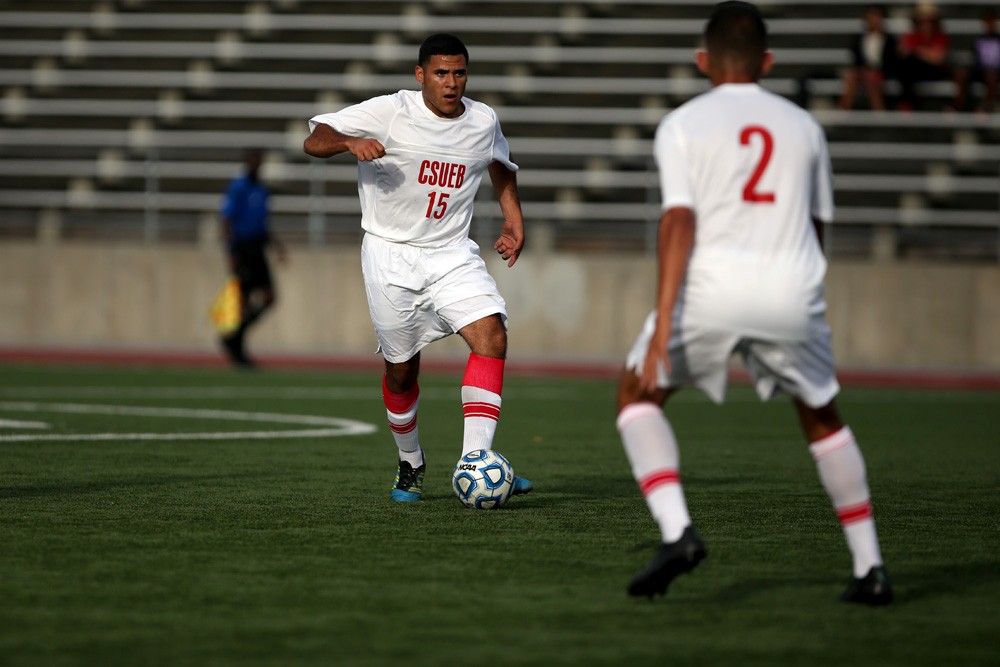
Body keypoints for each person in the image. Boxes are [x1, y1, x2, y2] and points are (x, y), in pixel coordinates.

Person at [615, 1, 892, 605]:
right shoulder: (806, 127)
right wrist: (809, 297)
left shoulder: (683, 124)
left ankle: (677, 533)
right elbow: (818, 226)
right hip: (792, 289)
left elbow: (679, 221)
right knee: (822, 416)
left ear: (702, 61)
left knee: (637, 395)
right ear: (767, 61)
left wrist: (663, 320)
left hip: (710, 288)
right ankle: (870, 567)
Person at [302, 33, 532, 503]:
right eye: (441, 73)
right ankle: (410, 461)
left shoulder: (484, 119)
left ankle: (477, 461)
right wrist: (350, 142)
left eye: (460, 73)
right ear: (421, 74)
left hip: (451, 252)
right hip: (391, 255)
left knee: (493, 335)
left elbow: (501, 165)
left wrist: (514, 218)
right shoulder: (390, 110)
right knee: (401, 372)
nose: (451, 83)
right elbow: (313, 139)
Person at [219, 148, 287, 368]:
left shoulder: (262, 190)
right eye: (254, 161)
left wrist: (276, 246)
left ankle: (233, 338)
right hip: (243, 248)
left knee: (269, 297)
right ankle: (237, 348)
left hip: (258, 248)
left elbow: (262, 224)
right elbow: (227, 220)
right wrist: (231, 252)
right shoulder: (239, 187)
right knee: (244, 300)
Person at [838, 4, 897, 111]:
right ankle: (843, 111)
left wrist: (876, 70)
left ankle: (879, 111)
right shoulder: (859, 38)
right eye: (870, 16)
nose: (873, 19)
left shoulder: (889, 40)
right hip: (863, 71)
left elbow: (891, 61)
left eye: (876, 16)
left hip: (881, 72)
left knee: (871, 78)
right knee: (852, 77)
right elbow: (856, 58)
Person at [896, 2, 950, 111]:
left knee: (910, 63)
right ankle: (907, 103)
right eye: (923, 20)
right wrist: (924, 53)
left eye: (929, 20)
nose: (926, 24)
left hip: (934, 72)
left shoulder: (940, 36)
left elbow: (938, 58)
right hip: (914, 71)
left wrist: (917, 51)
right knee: (907, 64)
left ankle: (907, 102)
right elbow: (901, 50)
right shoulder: (913, 35)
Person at [950, 9, 999, 113]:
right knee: (961, 72)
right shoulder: (978, 39)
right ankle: (959, 103)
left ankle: (987, 106)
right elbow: (975, 59)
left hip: (995, 72)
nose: (989, 24)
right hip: (980, 70)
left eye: (991, 22)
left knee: (991, 76)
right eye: (987, 22)